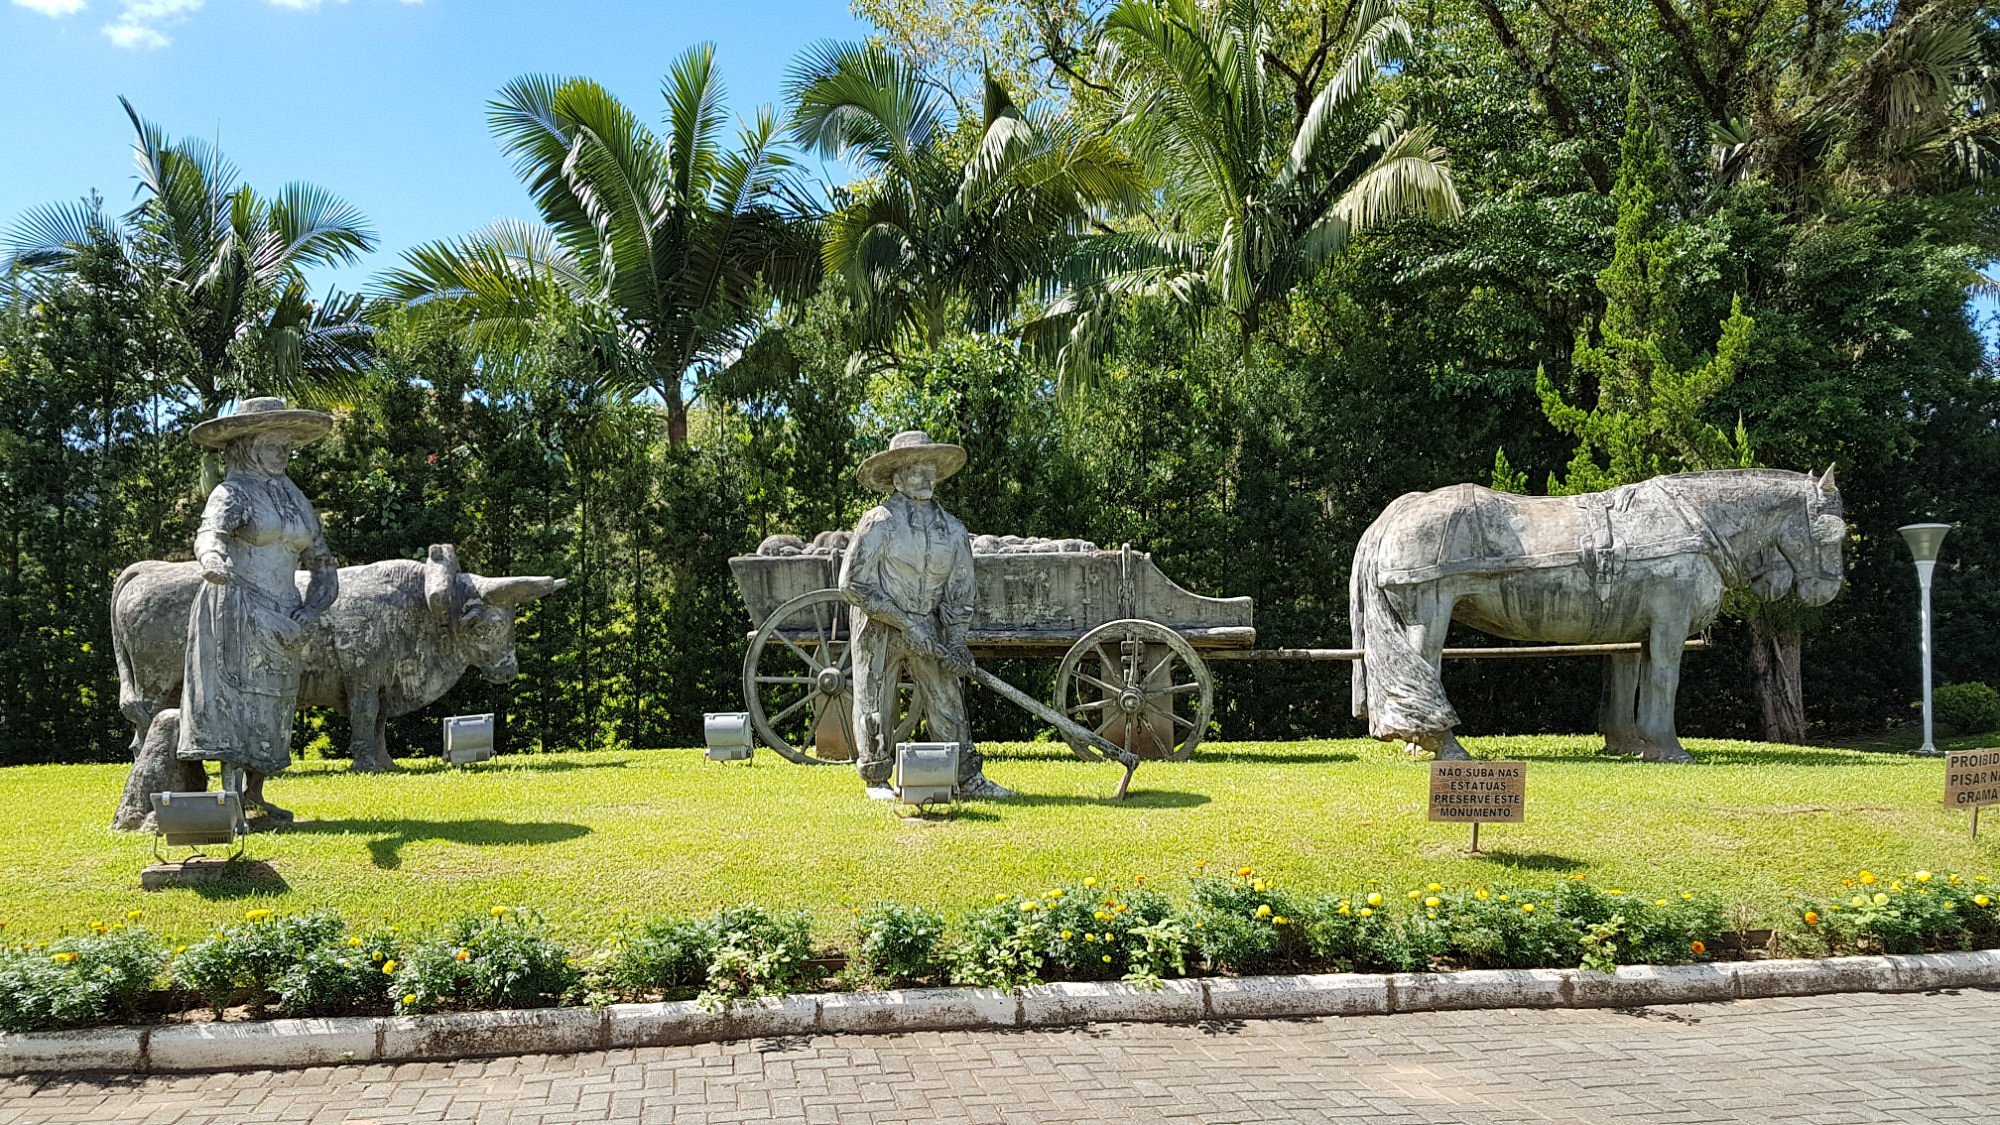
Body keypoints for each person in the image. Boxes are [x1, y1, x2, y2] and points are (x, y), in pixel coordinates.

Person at [176, 397, 339, 823]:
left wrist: (311, 608)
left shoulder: (296, 499)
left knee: (275, 702)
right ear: (248, 445)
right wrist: (212, 560)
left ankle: (255, 793)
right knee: (234, 697)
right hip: (236, 604)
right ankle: (227, 796)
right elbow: (209, 535)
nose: (283, 451)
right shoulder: (231, 492)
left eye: (288, 444)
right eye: (273, 443)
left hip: (285, 613)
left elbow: (322, 563)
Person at [839, 430, 1014, 799]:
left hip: (929, 625)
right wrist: (904, 623)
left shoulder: (953, 530)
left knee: (947, 698)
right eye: (917, 471)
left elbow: (960, 593)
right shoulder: (878, 522)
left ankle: (968, 778)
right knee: (875, 700)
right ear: (898, 478)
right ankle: (875, 777)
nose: (928, 479)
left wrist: (954, 641)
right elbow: (851, 584)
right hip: (879, 624)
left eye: (931, 471)